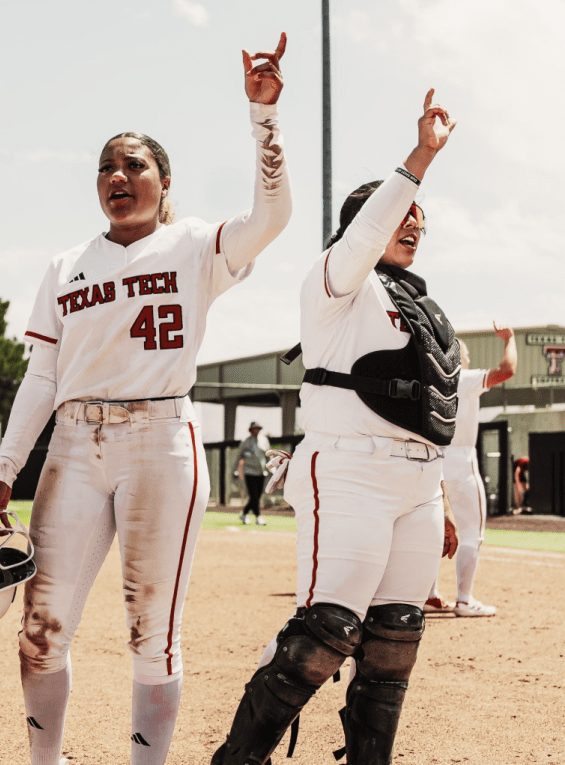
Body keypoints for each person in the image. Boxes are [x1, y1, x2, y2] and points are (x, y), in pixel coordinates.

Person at [0, 33, 292, 765]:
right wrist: (4, 469)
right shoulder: (65, 266)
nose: (118, 176)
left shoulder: (193, 244)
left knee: (153, 630)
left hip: (160, 440)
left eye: (135, 164)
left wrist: (263, 119)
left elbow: (271, 219)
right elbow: (41, 378)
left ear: (164, 180)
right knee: (41, 628)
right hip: (75, 446)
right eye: (105, 167)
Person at [209, 89, 459, 765]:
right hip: (350, 473)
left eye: (420, 221)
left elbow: (432, 414)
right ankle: (238, 759)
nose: (412, 225)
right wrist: (420, 158)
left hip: (418, 485)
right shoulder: (337, 279)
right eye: (402, 215)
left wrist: (442, 502)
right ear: (366, 226)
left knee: (395, 640)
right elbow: (371, 230)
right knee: (325, 634)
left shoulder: (420, 304)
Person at [426, 326, 516, 616]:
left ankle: (427, 596)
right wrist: (510, 340)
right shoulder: (463, 378)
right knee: (471, 533)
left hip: (430, 461)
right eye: (464, 352)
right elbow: (507, 370)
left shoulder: (429, 382)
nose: (467, 356)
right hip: (461, 460)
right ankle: (464, 600)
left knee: (430, 531)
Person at [236, 421, 271, 524]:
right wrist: (235, 470)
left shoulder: (264, 440)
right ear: (251, 430)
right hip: (250, 472)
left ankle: (244, 513)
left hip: (261, 472)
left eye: (258, 428)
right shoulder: (245, 441)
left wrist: (272, 469)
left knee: (258, 496)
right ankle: (258, 517)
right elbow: (238, 457)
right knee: (254, 495)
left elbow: (268, 455)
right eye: (254, 428)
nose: (256, 430)